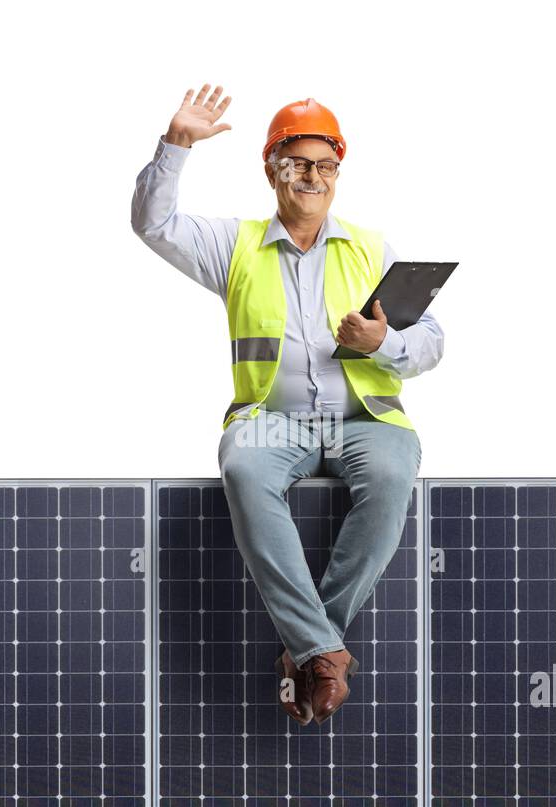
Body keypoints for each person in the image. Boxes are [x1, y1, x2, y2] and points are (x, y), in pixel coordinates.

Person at [131, 84, 444, 725]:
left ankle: (311, 650)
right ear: (271, 168)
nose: (312, 177)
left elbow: (432, 342)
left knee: (391, 476)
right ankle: (324, 649)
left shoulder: (369, 247)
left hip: (367, 418)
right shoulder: (235, 246)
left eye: (324, 165)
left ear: (338, 172)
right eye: (297, 162)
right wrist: (177, 145)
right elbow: (152, 224)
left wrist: (383, 341)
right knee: (244, 469)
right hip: (270, 423)